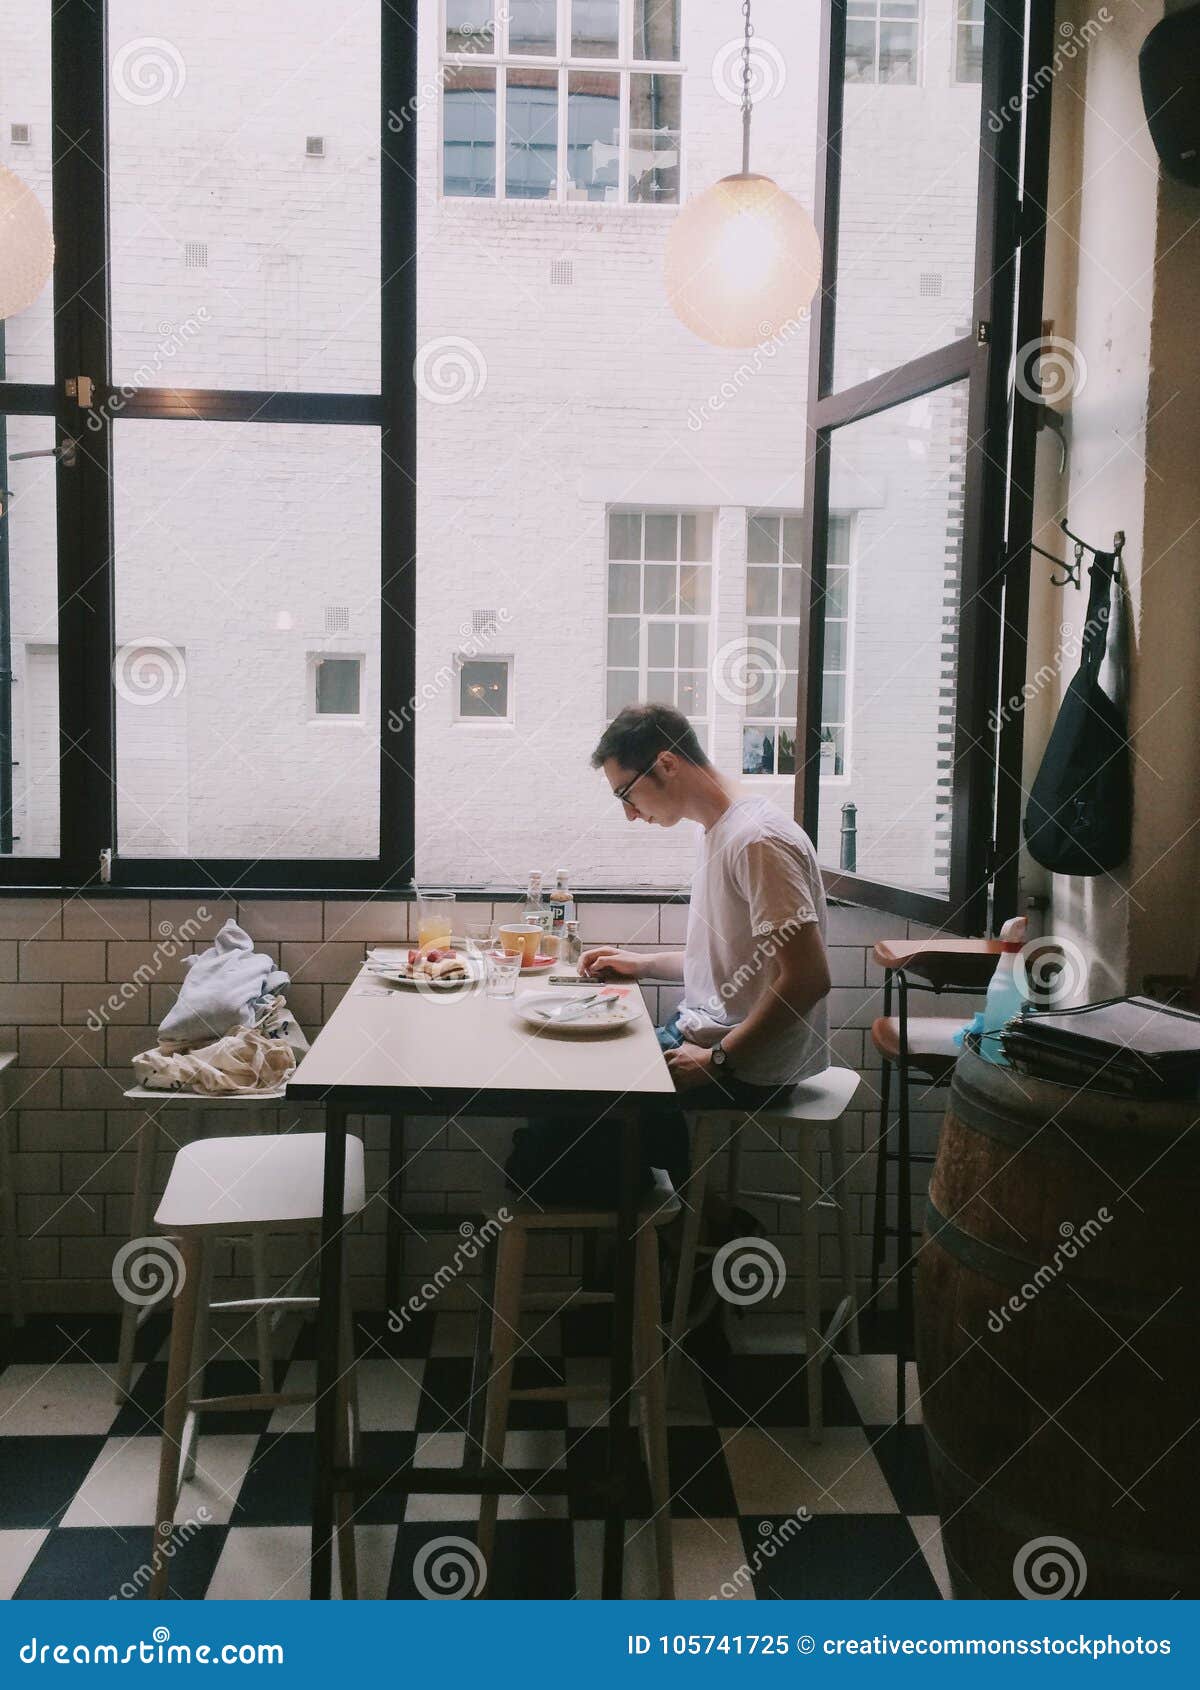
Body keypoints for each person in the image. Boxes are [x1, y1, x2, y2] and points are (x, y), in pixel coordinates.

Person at [504, 702, 832, 1211]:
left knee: (566, 1119)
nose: (630, 814)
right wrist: (643, 963)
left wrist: (720, 1059)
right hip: (705, 1037)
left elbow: (809, 978)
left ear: (667, 764)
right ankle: (674, 1225)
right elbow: (737, 963)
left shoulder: (757, 840)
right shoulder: (720, 831)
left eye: (625, 794)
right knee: (564, 1096)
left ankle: (685, 1231)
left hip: (745, 1066)